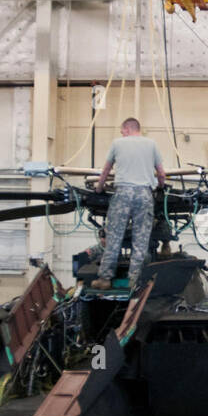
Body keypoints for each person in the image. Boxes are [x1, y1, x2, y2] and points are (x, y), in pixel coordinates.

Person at [90, 118, 166, 292]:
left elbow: (106, 170)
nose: (121, 134)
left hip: (123, 194)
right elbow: (162, 174)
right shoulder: (152, 144)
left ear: (127, 128)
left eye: (122, 131)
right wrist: (160, 187)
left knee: (114, 237)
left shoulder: (117, 144)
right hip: (144, 195)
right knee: (141, 240)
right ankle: (134, 280)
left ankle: (105, 279)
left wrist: (99, 188)